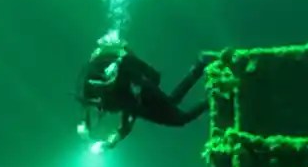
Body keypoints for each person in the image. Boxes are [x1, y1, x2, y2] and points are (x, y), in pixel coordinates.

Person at [76, 36, 218, 151]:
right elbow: (129, 112)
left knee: (181, 118)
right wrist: (114, 137)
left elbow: (129, 109)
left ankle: (212, 97)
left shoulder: (113, 84)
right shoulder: (103, 96)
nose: (100, 110)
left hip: (143, 92)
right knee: (173, 102)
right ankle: (201, 67)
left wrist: (116, 136)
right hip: (141, 95)